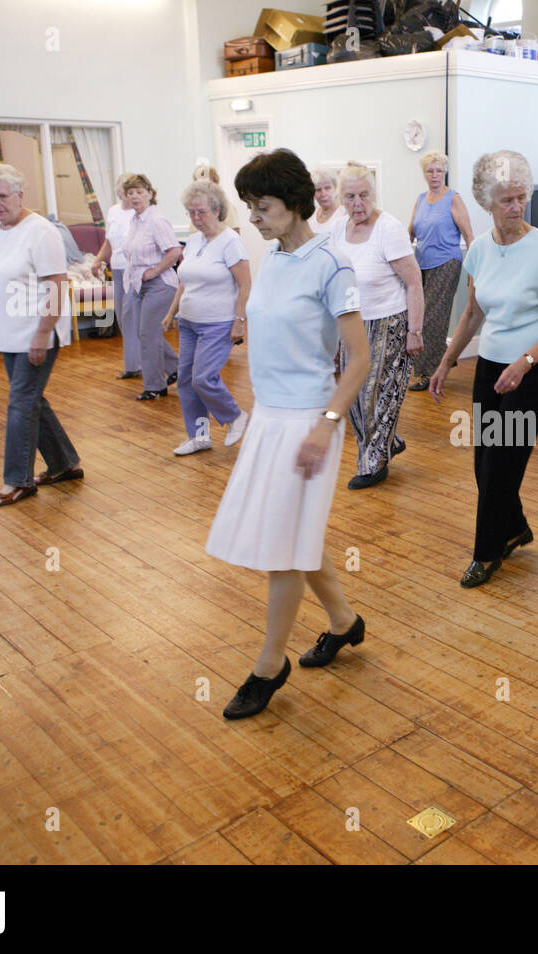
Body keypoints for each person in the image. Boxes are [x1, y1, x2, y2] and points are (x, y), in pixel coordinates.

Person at [205, 147, 370, 720]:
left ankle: (269, 666)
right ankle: (346, 623)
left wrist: (327, 425)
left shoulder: (333, 264)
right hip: (270, 417)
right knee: (295, 536)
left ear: (296, 203)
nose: (254, 217)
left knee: (281, 548)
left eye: (264, 206)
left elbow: (359, 360)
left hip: (309, 421)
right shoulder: (274, 257)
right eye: (249, 206)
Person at [429, 150, 538, 589]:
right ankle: (515, 527)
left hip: (536, 367)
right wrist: (447, 360)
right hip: (491, 364)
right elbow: (472, 313)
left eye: (521, 197)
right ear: (487, 203)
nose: (516, 207)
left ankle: (486, 553)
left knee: (503, 463)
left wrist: (525, 363)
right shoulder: (481, 251)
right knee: (483, 462)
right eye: (506, 200)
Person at [0, 163, 82, 507]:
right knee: (31, 399)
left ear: (20, 194)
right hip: (6, 332)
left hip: (36, 331)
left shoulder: (42, 231)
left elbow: (57, 284)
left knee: (21, 402)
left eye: (3, 195)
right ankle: (64, 464)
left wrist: (42, 334)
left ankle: (17, 480)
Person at [331, 162, 424, 489]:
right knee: (353, 397)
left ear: (374, 194)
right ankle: (388, 443)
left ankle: (372, 464)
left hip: (390, 322)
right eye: (350, 196)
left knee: (374, 395)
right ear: (341, 198)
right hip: (351, 324)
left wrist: (415, 330)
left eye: (364, 195)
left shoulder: (390, 228)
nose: (358, 203)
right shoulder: (337, 230)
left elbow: (414, 281)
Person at [161, 178, 251, 455]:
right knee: (186, 381)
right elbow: (184, 281)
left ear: (217, 210)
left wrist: (240, 321)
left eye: (201, 212)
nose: (196, 218)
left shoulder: (231, 242)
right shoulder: (194, 241)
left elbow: (245, 284)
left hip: (218, 322)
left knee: (203, 378)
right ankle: (199, 436)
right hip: (188, 322)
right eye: (191, 213)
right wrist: (171, 313)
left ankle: (234, 416)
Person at [109, 173, 180, 399]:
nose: (135, 197)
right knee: (144, 333)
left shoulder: (156, 219)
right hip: (138, 284)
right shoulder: (134, 220)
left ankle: (155, 386)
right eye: (131, 193)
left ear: (150, 193)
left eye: (140, 192)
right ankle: (178, 368)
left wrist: (155, 271)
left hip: (159, 284)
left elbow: (175, 251)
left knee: (148, 334)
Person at [407, 150, 473, 391]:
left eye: (438, 170)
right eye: (429, 170)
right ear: (424, 173)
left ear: (444, 172)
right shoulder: (421, 199)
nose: (434, 175)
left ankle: (427, 373)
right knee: (418, 315)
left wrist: (473, 272)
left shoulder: (453, 199)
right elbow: (410, 232)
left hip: (447, 263)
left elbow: (469, 235)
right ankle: (446, 356)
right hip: (421, 264)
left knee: (432, 319)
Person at [89, 173, 140, 378]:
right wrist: (98, 260)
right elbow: (109, 241)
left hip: (135, 270)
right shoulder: (113, 211)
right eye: (124, 190)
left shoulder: (139, 213)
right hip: (117, 269)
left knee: (131, 316)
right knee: (122, 317)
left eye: (131, 191)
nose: (125, 194)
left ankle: (142, 364)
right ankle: (133, 365)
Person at [308, 166, 346, 231]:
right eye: (318, 190)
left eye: (327, 188)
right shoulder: (311, 215)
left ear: (336, 188)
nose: (323, 194)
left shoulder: (344, 214)